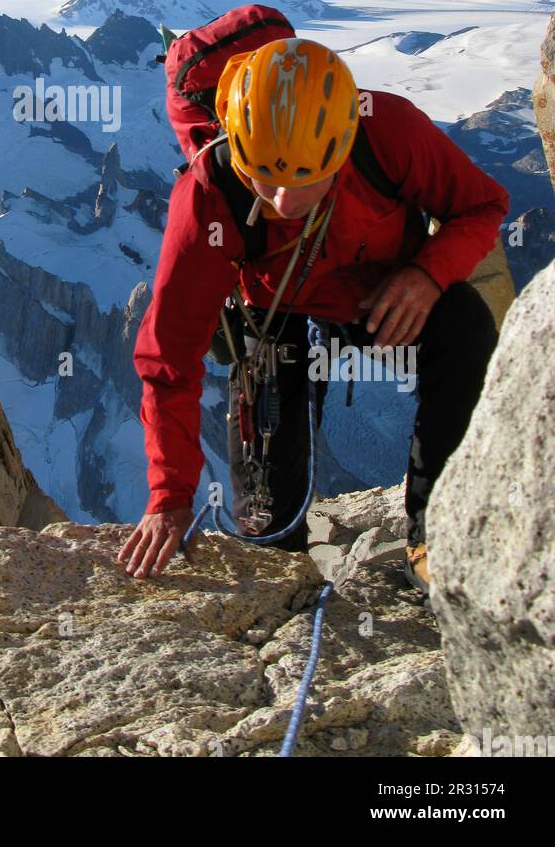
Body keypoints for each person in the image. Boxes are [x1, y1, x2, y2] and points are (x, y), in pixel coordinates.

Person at [117, 36, 509, 592]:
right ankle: (280, 566)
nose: (280, 202)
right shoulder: (208, 194)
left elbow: (482, 204)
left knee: (463, 326)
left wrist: (427, 274)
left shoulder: (388, 130)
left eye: (303, 181)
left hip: (380, 290)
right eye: (262, 176)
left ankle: (436, 534)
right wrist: (169, 497)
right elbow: (169, 357)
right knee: (269, 505)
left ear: (345, 145)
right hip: (272, 310)